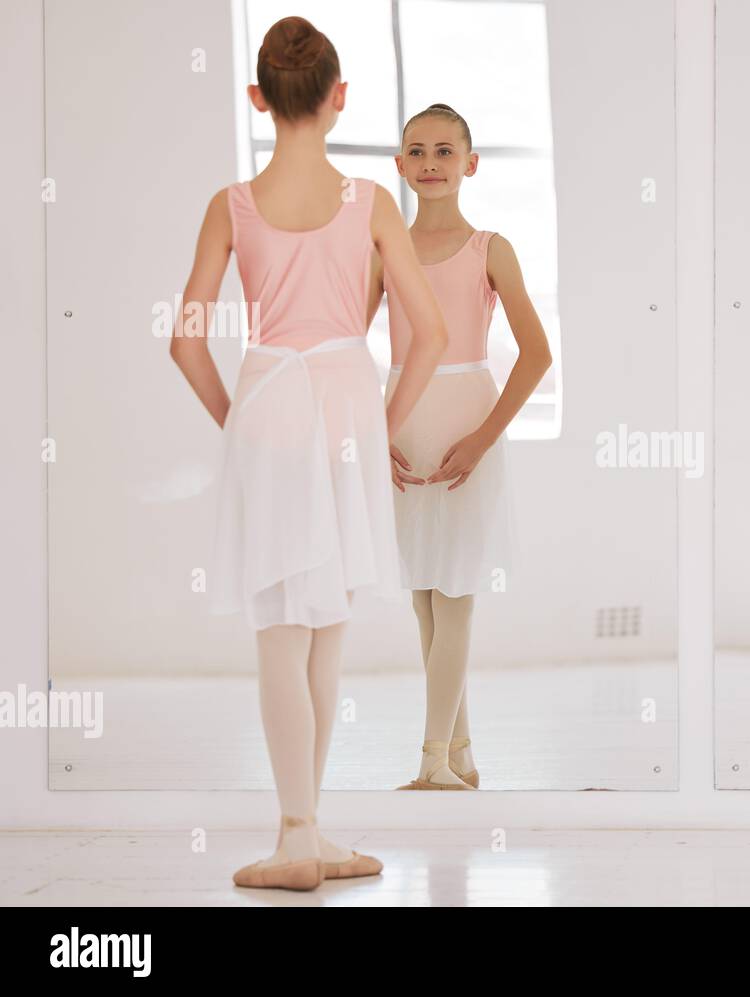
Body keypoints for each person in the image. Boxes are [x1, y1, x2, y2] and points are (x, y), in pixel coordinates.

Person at [170, 16, 447, 890]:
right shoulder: (369, 201)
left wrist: (239, 425)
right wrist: (378, 424)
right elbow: (429, 334)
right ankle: (306, 831)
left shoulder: (232, 205)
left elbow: (185, 342)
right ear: (339, 99)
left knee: (280, 635)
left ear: (259, 99)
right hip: (343, 411)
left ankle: (301, 834)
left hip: (270, 404)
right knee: (326, 634)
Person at [367, 103, 551, 791]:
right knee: (423, 596)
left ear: (470, 164)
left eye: (446, 152)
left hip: (465, 423)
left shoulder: (490, 249)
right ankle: (463, 753)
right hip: (404, 420)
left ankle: (431, 761)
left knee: (456, 593)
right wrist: (371, 429)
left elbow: (537, 354)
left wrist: (481, 439)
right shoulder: (386, 252)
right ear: (400, 165)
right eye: (417, 151)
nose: (430, 163)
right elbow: (345, 340)